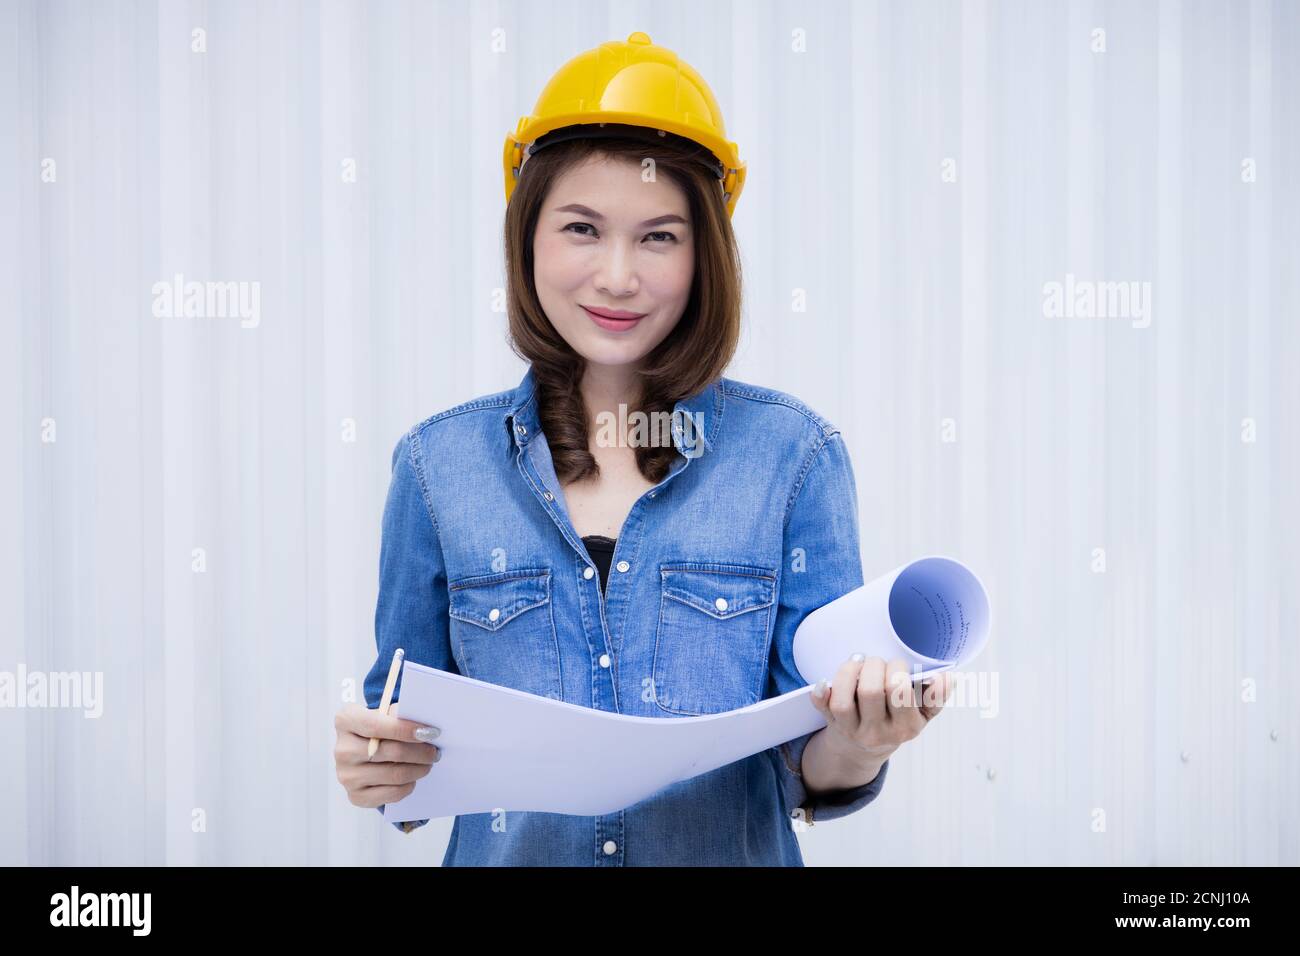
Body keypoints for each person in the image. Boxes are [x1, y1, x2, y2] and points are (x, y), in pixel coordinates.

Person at [333, 31, 952, 866]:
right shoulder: (436, 469)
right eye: (582, 228)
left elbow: (806, 765)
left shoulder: (793, 458)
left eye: (659, 236)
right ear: (528, 237)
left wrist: (864, 742)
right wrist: (377, 767)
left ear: (705, 256)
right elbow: (402, 768)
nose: (618, 277)